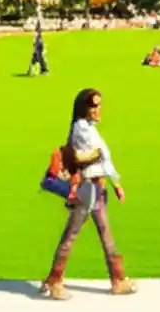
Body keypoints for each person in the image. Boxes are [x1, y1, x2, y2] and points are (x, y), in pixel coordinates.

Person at [40, 88, 135, 300]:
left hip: (97, 189)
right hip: (86, 190)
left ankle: (118, 279)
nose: (98, 110)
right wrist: (98, 158)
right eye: (94, 106)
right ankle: (54, 280)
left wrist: (116, 183)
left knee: (106, 235)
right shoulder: (81, 129)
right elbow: (87, 157)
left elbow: (103, 160)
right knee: (71, 235)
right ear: (84, 108)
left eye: (99, 105)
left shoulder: (90, 128)